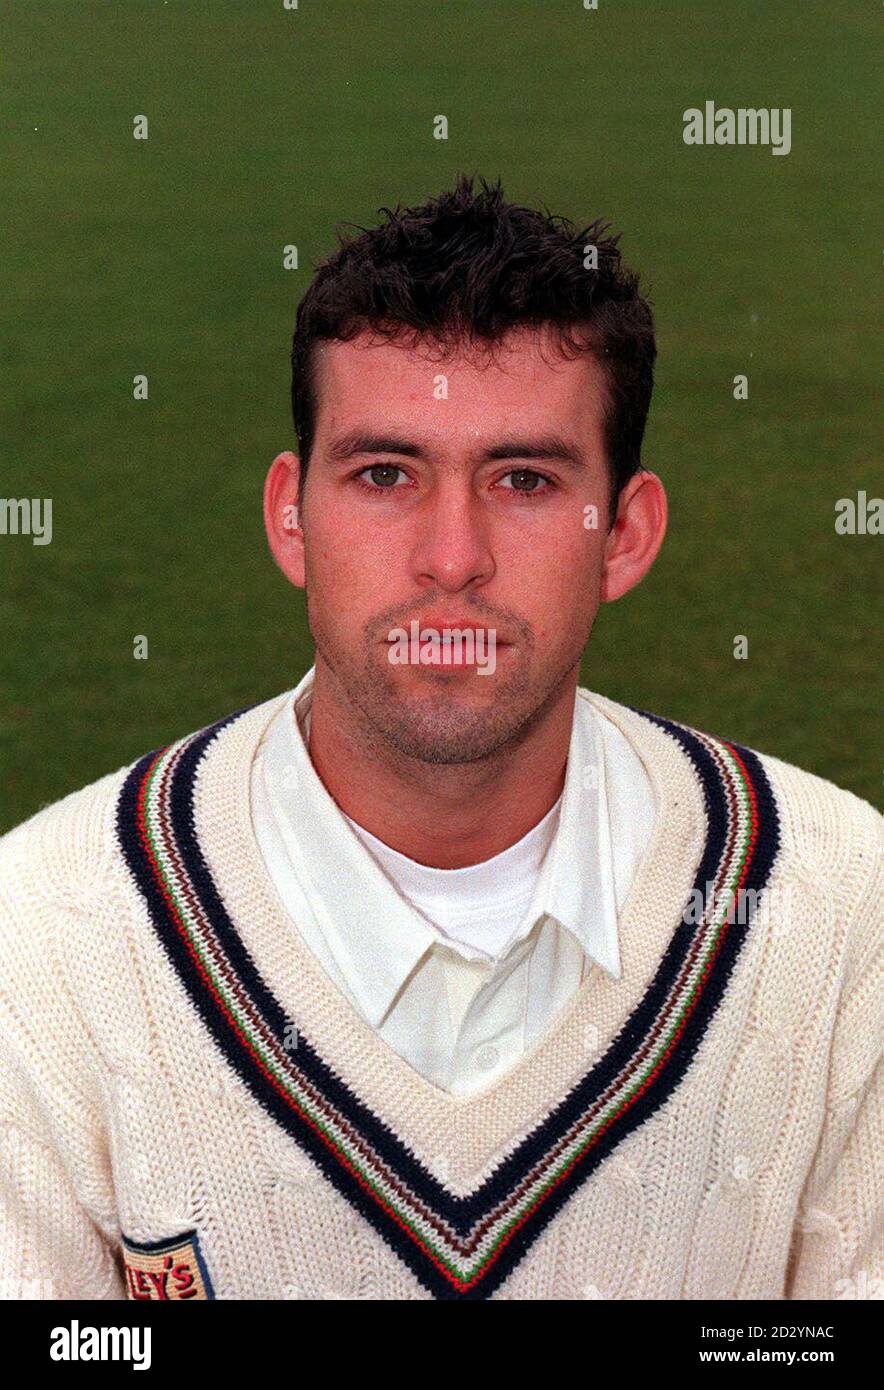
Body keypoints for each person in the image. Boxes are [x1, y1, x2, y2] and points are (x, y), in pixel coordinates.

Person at [0, 177, 880, 1302]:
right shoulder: (45, 933)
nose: (450, 554)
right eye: (384, 474)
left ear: (623, 534)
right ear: (291, 516)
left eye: (521, 479)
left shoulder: (838, 903)